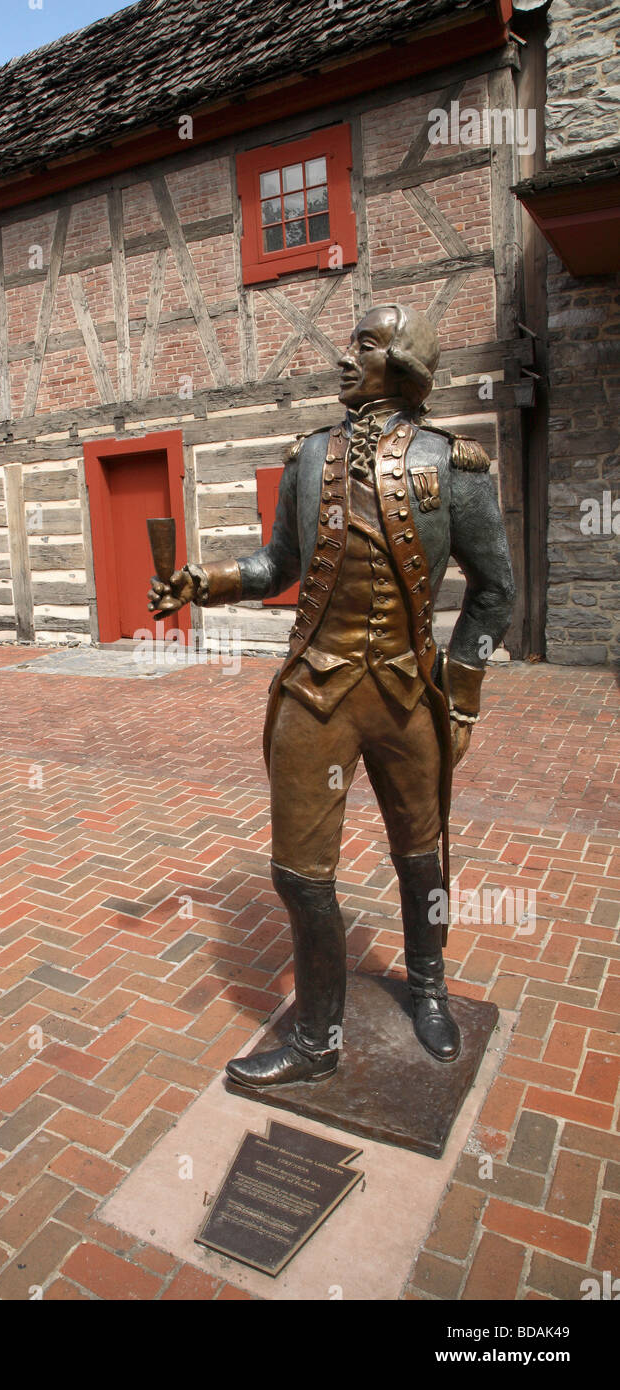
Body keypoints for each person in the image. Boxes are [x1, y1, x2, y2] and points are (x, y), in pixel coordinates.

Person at [149, 303, 515, 1087]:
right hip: (318, 692)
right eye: (350, 346)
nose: (345, 360)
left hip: (410, 695)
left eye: (366, 347)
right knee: (299, 876)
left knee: (422, 860)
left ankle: (427, 989)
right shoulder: (310, 457)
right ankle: (317, 1040)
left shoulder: (455, 465)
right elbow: (278, 564)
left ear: (406, 362)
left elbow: (495, 593)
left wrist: (463, 695)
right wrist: (203, 582)